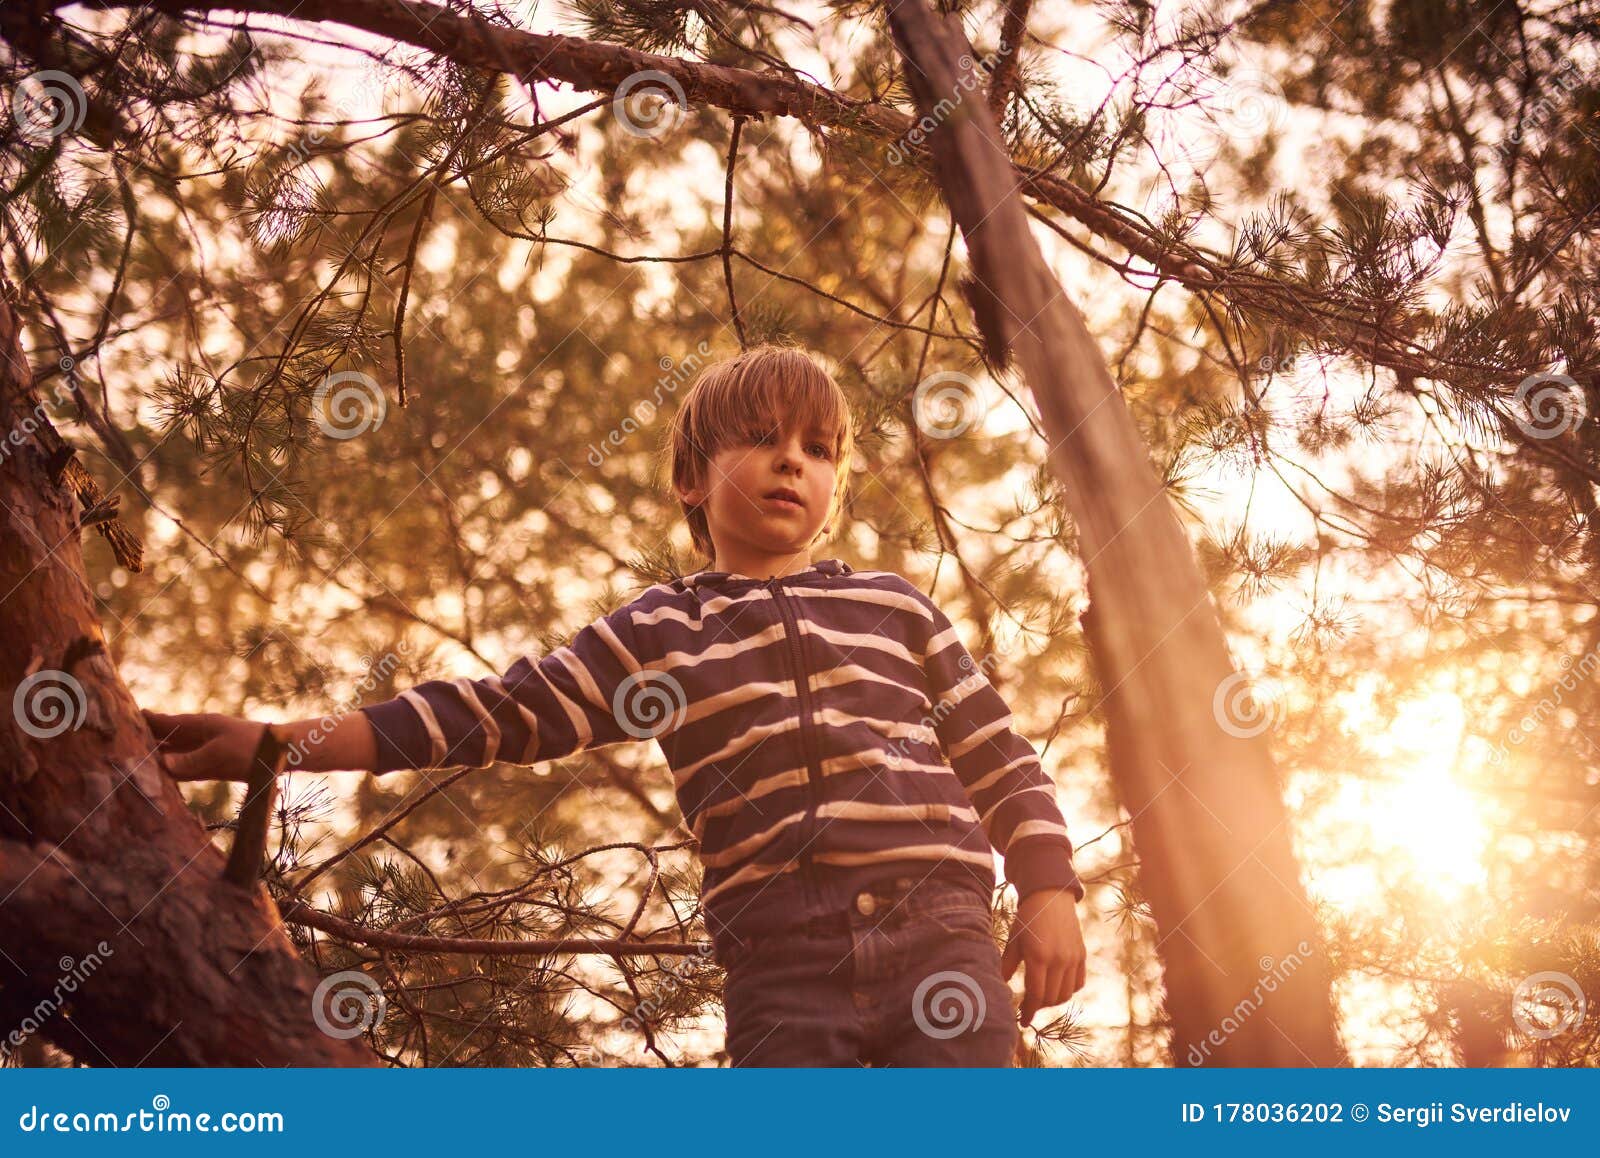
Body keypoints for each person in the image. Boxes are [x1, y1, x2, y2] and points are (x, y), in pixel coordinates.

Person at [145, 343, 1089, 1066]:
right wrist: (278, 743)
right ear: (691, 478)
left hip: (945, 936)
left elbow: (1000, 759)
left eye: (817, 448)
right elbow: (495, 713)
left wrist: (1048, 888)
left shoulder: (895, 609)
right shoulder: (658, 633)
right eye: (760, 439)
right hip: (783, 960)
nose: (791, 463)